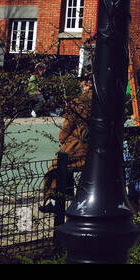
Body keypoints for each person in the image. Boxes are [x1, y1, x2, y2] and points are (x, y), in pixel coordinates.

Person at [41, 76, 92, 213]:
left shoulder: (79, 102)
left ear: (85, 84)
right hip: (102, 150)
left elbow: (66, 128)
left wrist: (62, 140)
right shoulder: (107, 101)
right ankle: (65, 199)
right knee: (66, 161)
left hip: (83, 151)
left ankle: (56, 200)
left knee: (58, 165)